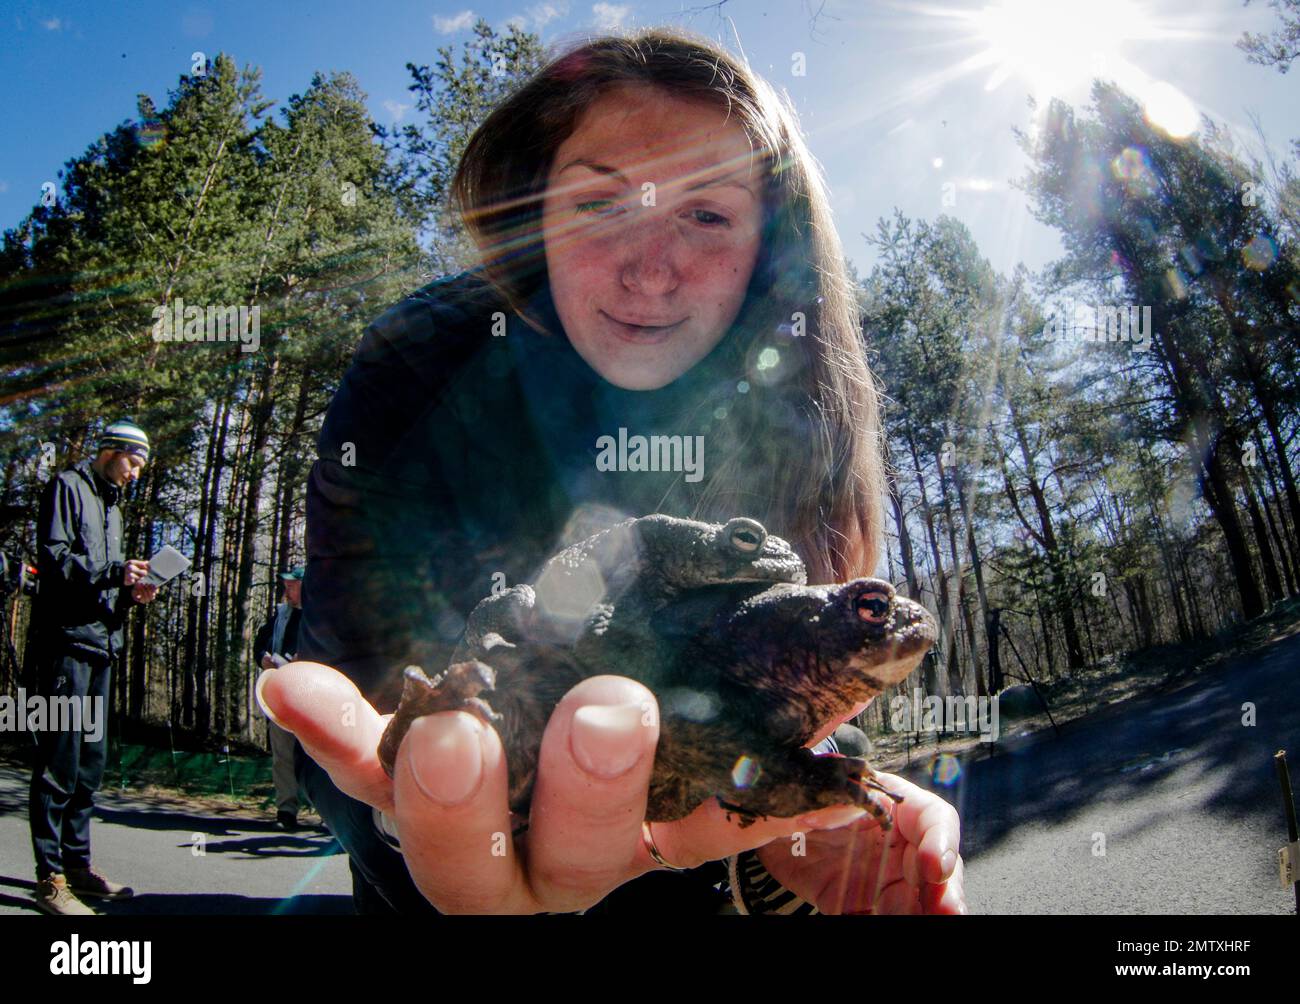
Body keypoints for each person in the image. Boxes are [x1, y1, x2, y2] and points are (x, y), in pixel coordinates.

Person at [259, 26, 966, 915]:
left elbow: (780, 693)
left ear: (767, 252)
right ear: (535, 216)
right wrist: (430, 830)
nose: (649, 270)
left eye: (706, 215)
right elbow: (360, 692)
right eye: (600, 205)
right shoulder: (424, 366)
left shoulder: (797, 393)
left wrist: (790, 842)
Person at [28, 419, 159, 916]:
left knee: (89, 765)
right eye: (133, 462)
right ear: (110, 451)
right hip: (64, 645)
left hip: (102, 646)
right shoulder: (68, 487)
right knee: (58, 762)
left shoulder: (113, 509)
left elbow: (104, 582)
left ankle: (78, 866)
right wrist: (111, 571)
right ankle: (50, 878)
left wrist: (130, 591)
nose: (135, 474)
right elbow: (55, 560)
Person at [252, 565, 306, 831]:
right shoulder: (280, 616)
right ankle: (287, 811)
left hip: (311, 698)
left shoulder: (318, 618)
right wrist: (262, 657)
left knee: (318, 756)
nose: (288, 589)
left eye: (294, 584)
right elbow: (260, 643)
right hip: (280, 698)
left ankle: (329, 815)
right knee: (282, 754)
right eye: (287, 584)